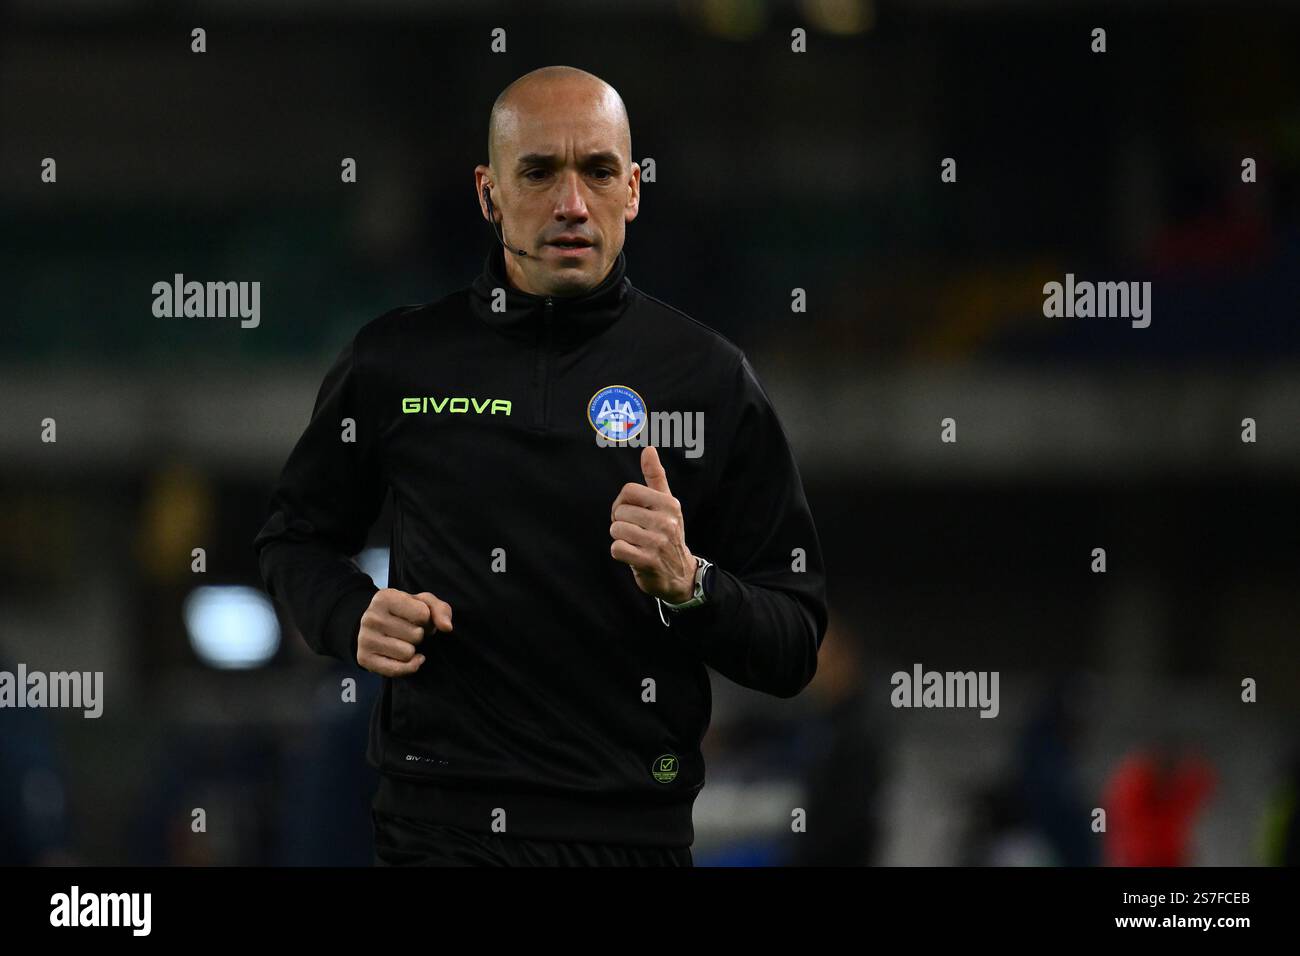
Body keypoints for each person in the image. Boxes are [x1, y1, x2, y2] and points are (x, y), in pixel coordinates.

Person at [253, 65, 828, 866]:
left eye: (597, 172)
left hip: (629, 835)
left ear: (632, 190)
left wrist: (691, 586)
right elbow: (294, 539)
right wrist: (352, 615)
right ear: (489, 194)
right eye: (540, 171)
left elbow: (794, 639)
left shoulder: (709, 378)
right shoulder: (397, 361)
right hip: (439, 831)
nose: (570, 203)